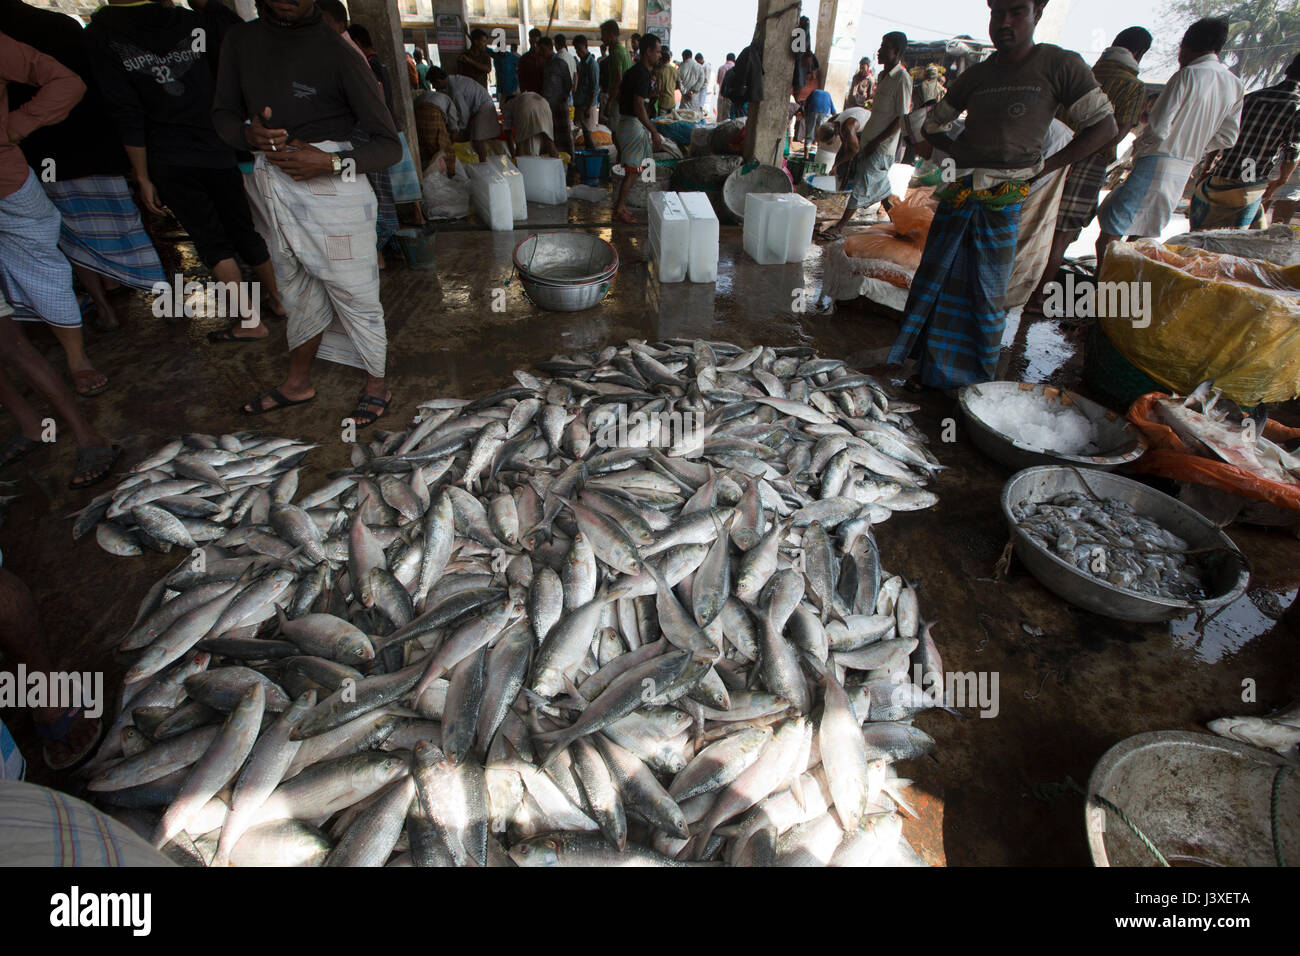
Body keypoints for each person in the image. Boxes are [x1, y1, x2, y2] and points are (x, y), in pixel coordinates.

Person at [888, 0, 1117, 391]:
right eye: (998, 14)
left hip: (1003, 201)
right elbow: (932, 124)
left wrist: (1047, 165)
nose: (1005, 23)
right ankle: (925, 371)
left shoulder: (1059, 65)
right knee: (936, 285)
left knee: (984, 295)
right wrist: (961, 152)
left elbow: (1104, 126)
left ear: (1037, 14)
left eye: (1017, 12)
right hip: (960, 195)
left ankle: (967, 383)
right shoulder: (977, 75)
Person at [211, 0, 401, 425]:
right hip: (274, 184)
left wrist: (331, 163)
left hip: (335, 192)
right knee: (296, 291)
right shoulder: (241, 40)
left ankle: (376, 386)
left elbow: (389, 146)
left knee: (356, 294)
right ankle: (298, 383)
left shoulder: (338, 51)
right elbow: (222, 114)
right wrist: (247, 134)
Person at [85, 0, 284, 344]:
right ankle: (280, 302)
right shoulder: (195, 23)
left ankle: (250, 320)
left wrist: (142, 176)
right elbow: (230, 83)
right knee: (243, 229)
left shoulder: (104, 34)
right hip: (216, 143)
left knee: (212, 239)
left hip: (170, 155)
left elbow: (126, 112)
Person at [0, 0, 164, 333]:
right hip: (93, 146)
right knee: (124, 222)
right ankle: (150, 294)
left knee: (68, 231)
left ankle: (105, 307)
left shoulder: (16, 36)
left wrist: (17, 126)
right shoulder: (61, 26)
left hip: (44, 154)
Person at [0, 31, 116, 402]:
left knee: (44, 268)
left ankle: (76, 359)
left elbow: (65, 81)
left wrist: (18, 123)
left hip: (6, 182)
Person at [1096, 18, 1243, 266]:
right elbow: (1228, 137)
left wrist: (1157, 133)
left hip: (1156, 159)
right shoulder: (1235, 84)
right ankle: (1122, 289)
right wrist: (1193, 143)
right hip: (1184, 168)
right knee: (1142, 234)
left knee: (1112, 227)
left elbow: (1160, 124)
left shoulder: (1187, 74)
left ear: (1186, 45)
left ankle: (1105, 283)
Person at [1024, 27, 1151, 315]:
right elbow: (1117, 132)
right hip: (1088, 161)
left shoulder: (1086, 73)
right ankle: (1036, 299)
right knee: (1061, 236)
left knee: (1036, 225)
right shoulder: (1132, 86)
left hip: (1054, 156)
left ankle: (1018, 288)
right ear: (1140, 53)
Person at [1190, 53, 1299, 231]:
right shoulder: (1296, 106)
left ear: (1287, 70)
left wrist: (1207, 167)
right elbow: (1292, 150)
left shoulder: (1251, 97)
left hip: (1221, 175)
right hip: (1249, 184)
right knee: (1227, 243)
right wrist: (1281, 180)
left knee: (1212, 235)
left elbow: (1222, 134)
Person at [819, 32, 911, 240]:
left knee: (861, 185)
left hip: (882, 147)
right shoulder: (883, 77)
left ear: (896, 52)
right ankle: (903, 228)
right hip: (871, 142)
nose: (879, 51)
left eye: (884, 47)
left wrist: (876, 142)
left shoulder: (901, 79)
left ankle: (840, 227)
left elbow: (901, 118)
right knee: (882, 191)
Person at [328, 13, 401, 270]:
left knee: (369, 197)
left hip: (366, 142)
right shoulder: (359, 59)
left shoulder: (351, 57)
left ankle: (376, 254)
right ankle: (376, 255)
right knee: (370, 197)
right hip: (367, 143)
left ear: (339, 23)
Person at [613, 31, 664, 224]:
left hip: (625, 123)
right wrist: (653, 131)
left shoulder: (633, 72)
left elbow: (619, 95)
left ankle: (621, 206)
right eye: (657, 52)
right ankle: (620, 208)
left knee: (634, 170)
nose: (659, 55)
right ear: (648, 51)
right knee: (633, 171)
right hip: (633, 125)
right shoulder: (642, 74)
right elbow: (638, 105)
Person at [429, 66, 502, 162]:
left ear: (438, 81)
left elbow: (463, 112)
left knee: (477, 139)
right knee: (476, 139)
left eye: (433, 84)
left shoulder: (455, 90)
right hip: (477, 108)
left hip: (483, 106)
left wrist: (459, 130)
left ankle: (484, 163)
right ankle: (483, 161)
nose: (434, 87)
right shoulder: (452, 83)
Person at [540, 36, 574, 159]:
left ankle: (571, 163)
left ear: (550, 48)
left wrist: (563, 99)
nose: (541, 53)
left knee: (565, 136)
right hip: (548, 107)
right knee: (552, 136)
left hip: (560, 105)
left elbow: (569, 83)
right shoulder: (545, 64)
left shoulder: (560, 63)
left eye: (543, 50)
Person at [414, 88, 458, 174]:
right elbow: (453, 125)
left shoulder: (426, 95)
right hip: (432, 114)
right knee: (445, 150)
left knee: (424, 146)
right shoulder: (449, 102)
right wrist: (451, 140)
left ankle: (427, 172)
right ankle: (450, 175)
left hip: (417, 114)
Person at [600, 19, 633, 127]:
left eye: (603, 35)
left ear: (610, 34)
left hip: (618, 99)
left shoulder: (616, 53)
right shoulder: (624, 51)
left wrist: (609, 102)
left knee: (615, 132)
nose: (602, 38)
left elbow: (618, 79)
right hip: (625, 99)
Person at [506, 90, 557, 158]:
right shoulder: (521, 97)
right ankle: (557, 167)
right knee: (550, 142)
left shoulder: (507, 105)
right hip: (544, 105)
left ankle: (520, 167)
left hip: (526, 106)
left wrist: (513, 156)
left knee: (520, 145)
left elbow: (508, 134)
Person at [572, 34, 600, 152]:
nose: (578, 52)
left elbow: (595, 88)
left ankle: (593, 158)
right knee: (584, 134)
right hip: (581, 103)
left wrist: (589, 107)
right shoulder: (581, 63)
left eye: (580, 49)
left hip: (588, 105)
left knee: (588, 135)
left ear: (586, 47)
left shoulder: (592, 64)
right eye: (576, 50)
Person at [653, 45, 679, 116]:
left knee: (662, 123)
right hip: (672, 102)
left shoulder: (659, 71)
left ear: (661, 59)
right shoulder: (675, 70)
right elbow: (678, 86)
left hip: (663, 103)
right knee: (670, 123)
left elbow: (659, 88)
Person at [519, 27, 544, 95]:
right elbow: (521, 80)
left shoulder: (545, 57)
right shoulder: (524, 59)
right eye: (533, 43)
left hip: (545, 95)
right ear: (529, 41)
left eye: (537, 43)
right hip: (530, 94)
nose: (535, 45)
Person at [717, 52, 736, 120]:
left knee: (720, 117)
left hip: (721, 95)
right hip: (730, 97)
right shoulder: (735, 68)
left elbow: (718, 82)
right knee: (728, 117)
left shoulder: (721, 68)